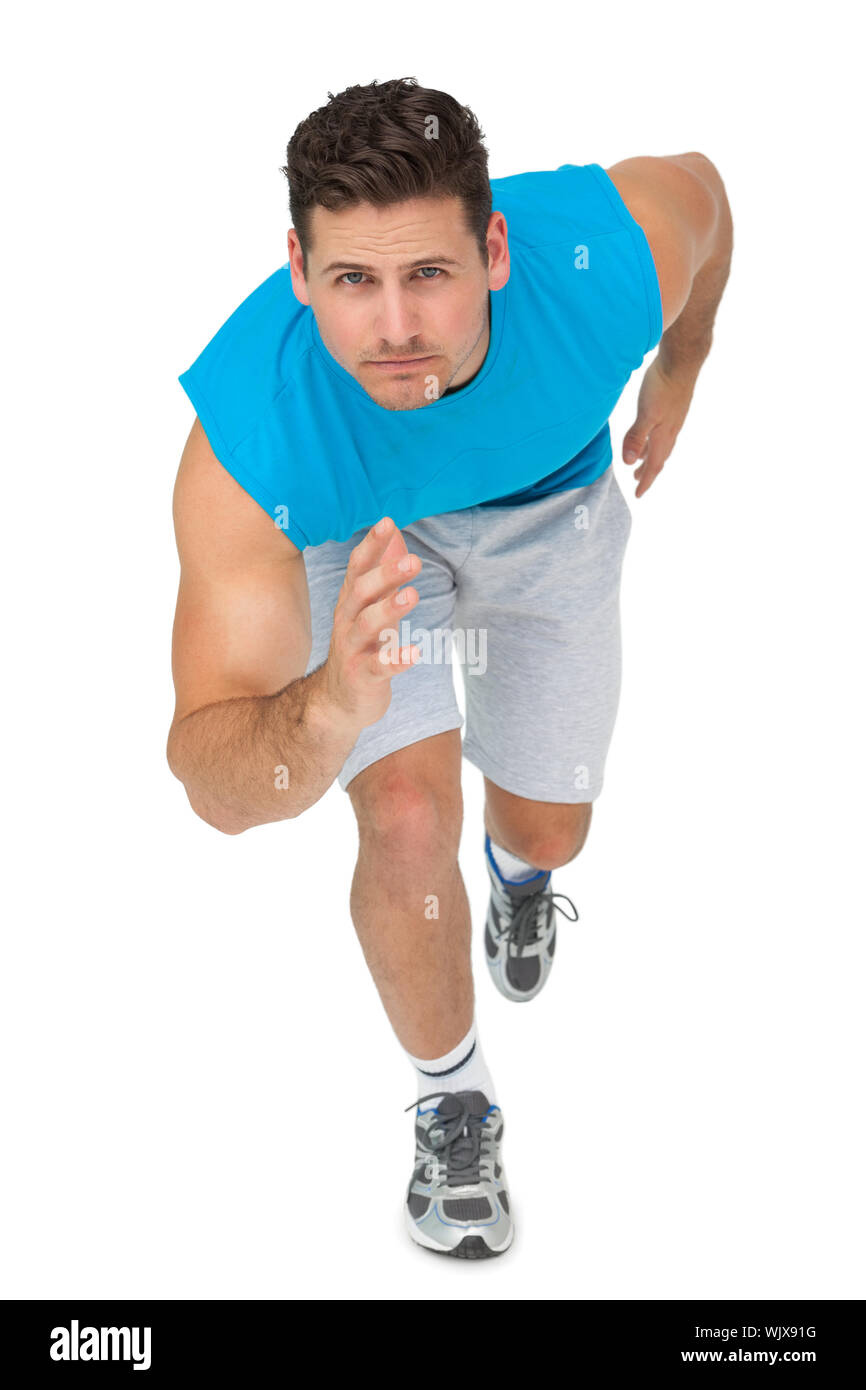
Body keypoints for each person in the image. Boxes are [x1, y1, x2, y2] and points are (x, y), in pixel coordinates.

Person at [167, 77, 733, 1259]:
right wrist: (330, 709)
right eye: (350, 282)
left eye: (427, 273)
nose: (394, 329)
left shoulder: (604, 269)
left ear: (493, 249)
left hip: (552, 509)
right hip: (364, 532)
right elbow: (217, 793)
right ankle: (452, 1098)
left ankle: (519, 886)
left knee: (549, 828)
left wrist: (681, 367)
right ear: (295, 270)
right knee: (408, 812)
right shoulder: (257, 439)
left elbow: (709, 198)